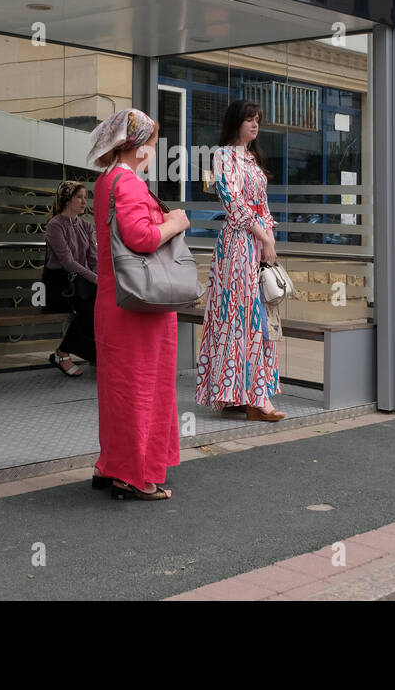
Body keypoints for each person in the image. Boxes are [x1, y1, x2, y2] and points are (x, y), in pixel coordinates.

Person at [88, 109, 191, 500]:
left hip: (115, 301)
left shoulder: (105, 182)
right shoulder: (127, 183)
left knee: (118, 389)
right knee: (141, 390)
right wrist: (177, 222)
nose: (154, 151)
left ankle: (112, 465)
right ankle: (134, 476)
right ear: (138, 146)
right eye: (151, 144)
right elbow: (143, 238)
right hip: (139, 308)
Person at [195, 100, 285, 421]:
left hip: (255, 244)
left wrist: (268, 237)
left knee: (255, 318)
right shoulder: (222, 156)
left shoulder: (251, 158)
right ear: (236, 123)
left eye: (258, 120)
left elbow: (262, 204)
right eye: (249, 119)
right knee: (237, 317)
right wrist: (263, 235)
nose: (255, 125)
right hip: (236, 245)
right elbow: (231, 201)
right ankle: (251, 399)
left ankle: (243, 393)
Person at [42, 180, 97, 376]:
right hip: (60, 284)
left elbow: (93, 258)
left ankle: (96, 354)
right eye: (79, 198)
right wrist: (94, 279)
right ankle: (63, 353)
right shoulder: (55, 225)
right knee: (89, 309)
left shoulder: (86, 225)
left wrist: (99, 277)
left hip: (81, 283)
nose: (84, 202)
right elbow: (67, 261)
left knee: (103, 305)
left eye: (85, 198)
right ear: (67, 200)